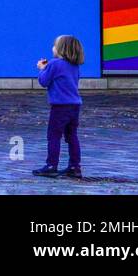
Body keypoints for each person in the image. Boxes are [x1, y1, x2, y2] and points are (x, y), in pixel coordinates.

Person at [33, 34, 85, 178]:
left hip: (60, 106)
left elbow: (44, 81)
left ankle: (51, 165)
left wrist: (42, 68)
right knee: (72, 136)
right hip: (75, 105)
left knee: (54, 136)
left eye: (55, 45)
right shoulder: (74, 66)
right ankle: (75, 167)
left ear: (61, 49)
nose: (53, 48)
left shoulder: (54, 64)